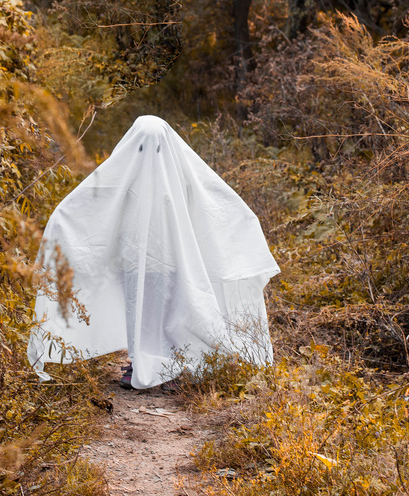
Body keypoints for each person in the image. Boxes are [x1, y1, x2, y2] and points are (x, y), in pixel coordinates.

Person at [27, 115, 279, 390]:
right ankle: (140, 361)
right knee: (139, 313)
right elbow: (94, 199)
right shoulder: (123, 174)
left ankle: (171, 364)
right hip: (134, 260)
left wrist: (241, 221)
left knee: (173, 313)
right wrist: (64, 216)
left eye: (156, 147)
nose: (149, 155)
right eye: (142, 148)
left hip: (171, 260)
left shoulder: (181, 174)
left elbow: (213, 203)